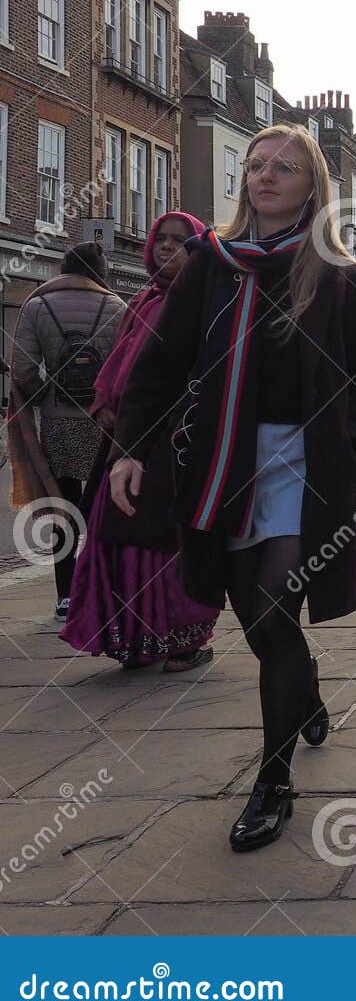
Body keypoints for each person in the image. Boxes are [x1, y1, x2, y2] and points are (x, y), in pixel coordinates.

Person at [108, 124, 356, 854]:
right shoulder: (213, 263)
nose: (264, 175)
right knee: (261, 621)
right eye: (257, 165)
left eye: (283, 167)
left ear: (311, 184)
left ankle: (273, 782)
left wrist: (347, 446)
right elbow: (159, 367)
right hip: (225, 467)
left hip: (305, 469)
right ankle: (306, 683)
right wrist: (132, 447)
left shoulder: (337, 273)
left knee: (270, 612)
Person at [62, 213, 221, 672]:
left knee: (168, 544)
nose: (168, 248)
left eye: (181, 241)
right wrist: (108, 405)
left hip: (178, 441)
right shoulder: (141, 301)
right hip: (128, 440)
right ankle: (133, 637)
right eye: (162, 240)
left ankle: (183, 639)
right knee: (119, 537)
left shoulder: (206, 305)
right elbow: (121, 366)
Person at [9, 243, 127, 619]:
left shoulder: (35, 306)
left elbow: (23, 371)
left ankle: (66, 597)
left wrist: (47, 395)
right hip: (103, 424)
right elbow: (127, 370)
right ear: (100, 272)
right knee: (104, 508)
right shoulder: (117, 308)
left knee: (63, 510)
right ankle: (104, 591)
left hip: (59, 424)